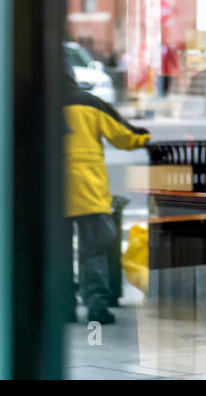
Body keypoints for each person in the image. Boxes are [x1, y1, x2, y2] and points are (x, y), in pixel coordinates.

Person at [63, 67, 150, 324]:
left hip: (51, 193)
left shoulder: (37, 105)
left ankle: (63, 307)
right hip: (88, 191)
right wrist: (145, 137)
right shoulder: (89, 103)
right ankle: (97, 309)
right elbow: (124, 136)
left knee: (57, 254)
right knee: (95, 250)